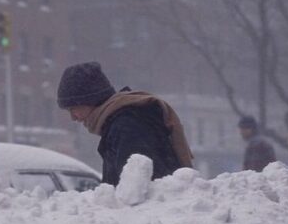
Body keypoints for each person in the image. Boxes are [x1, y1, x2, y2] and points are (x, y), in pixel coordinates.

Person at [56, 62, 193, 186]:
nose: (73, 118)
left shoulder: (127, 126)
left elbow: (136, 190)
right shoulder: (120, 122)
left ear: (90, 99)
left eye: (73, 108)